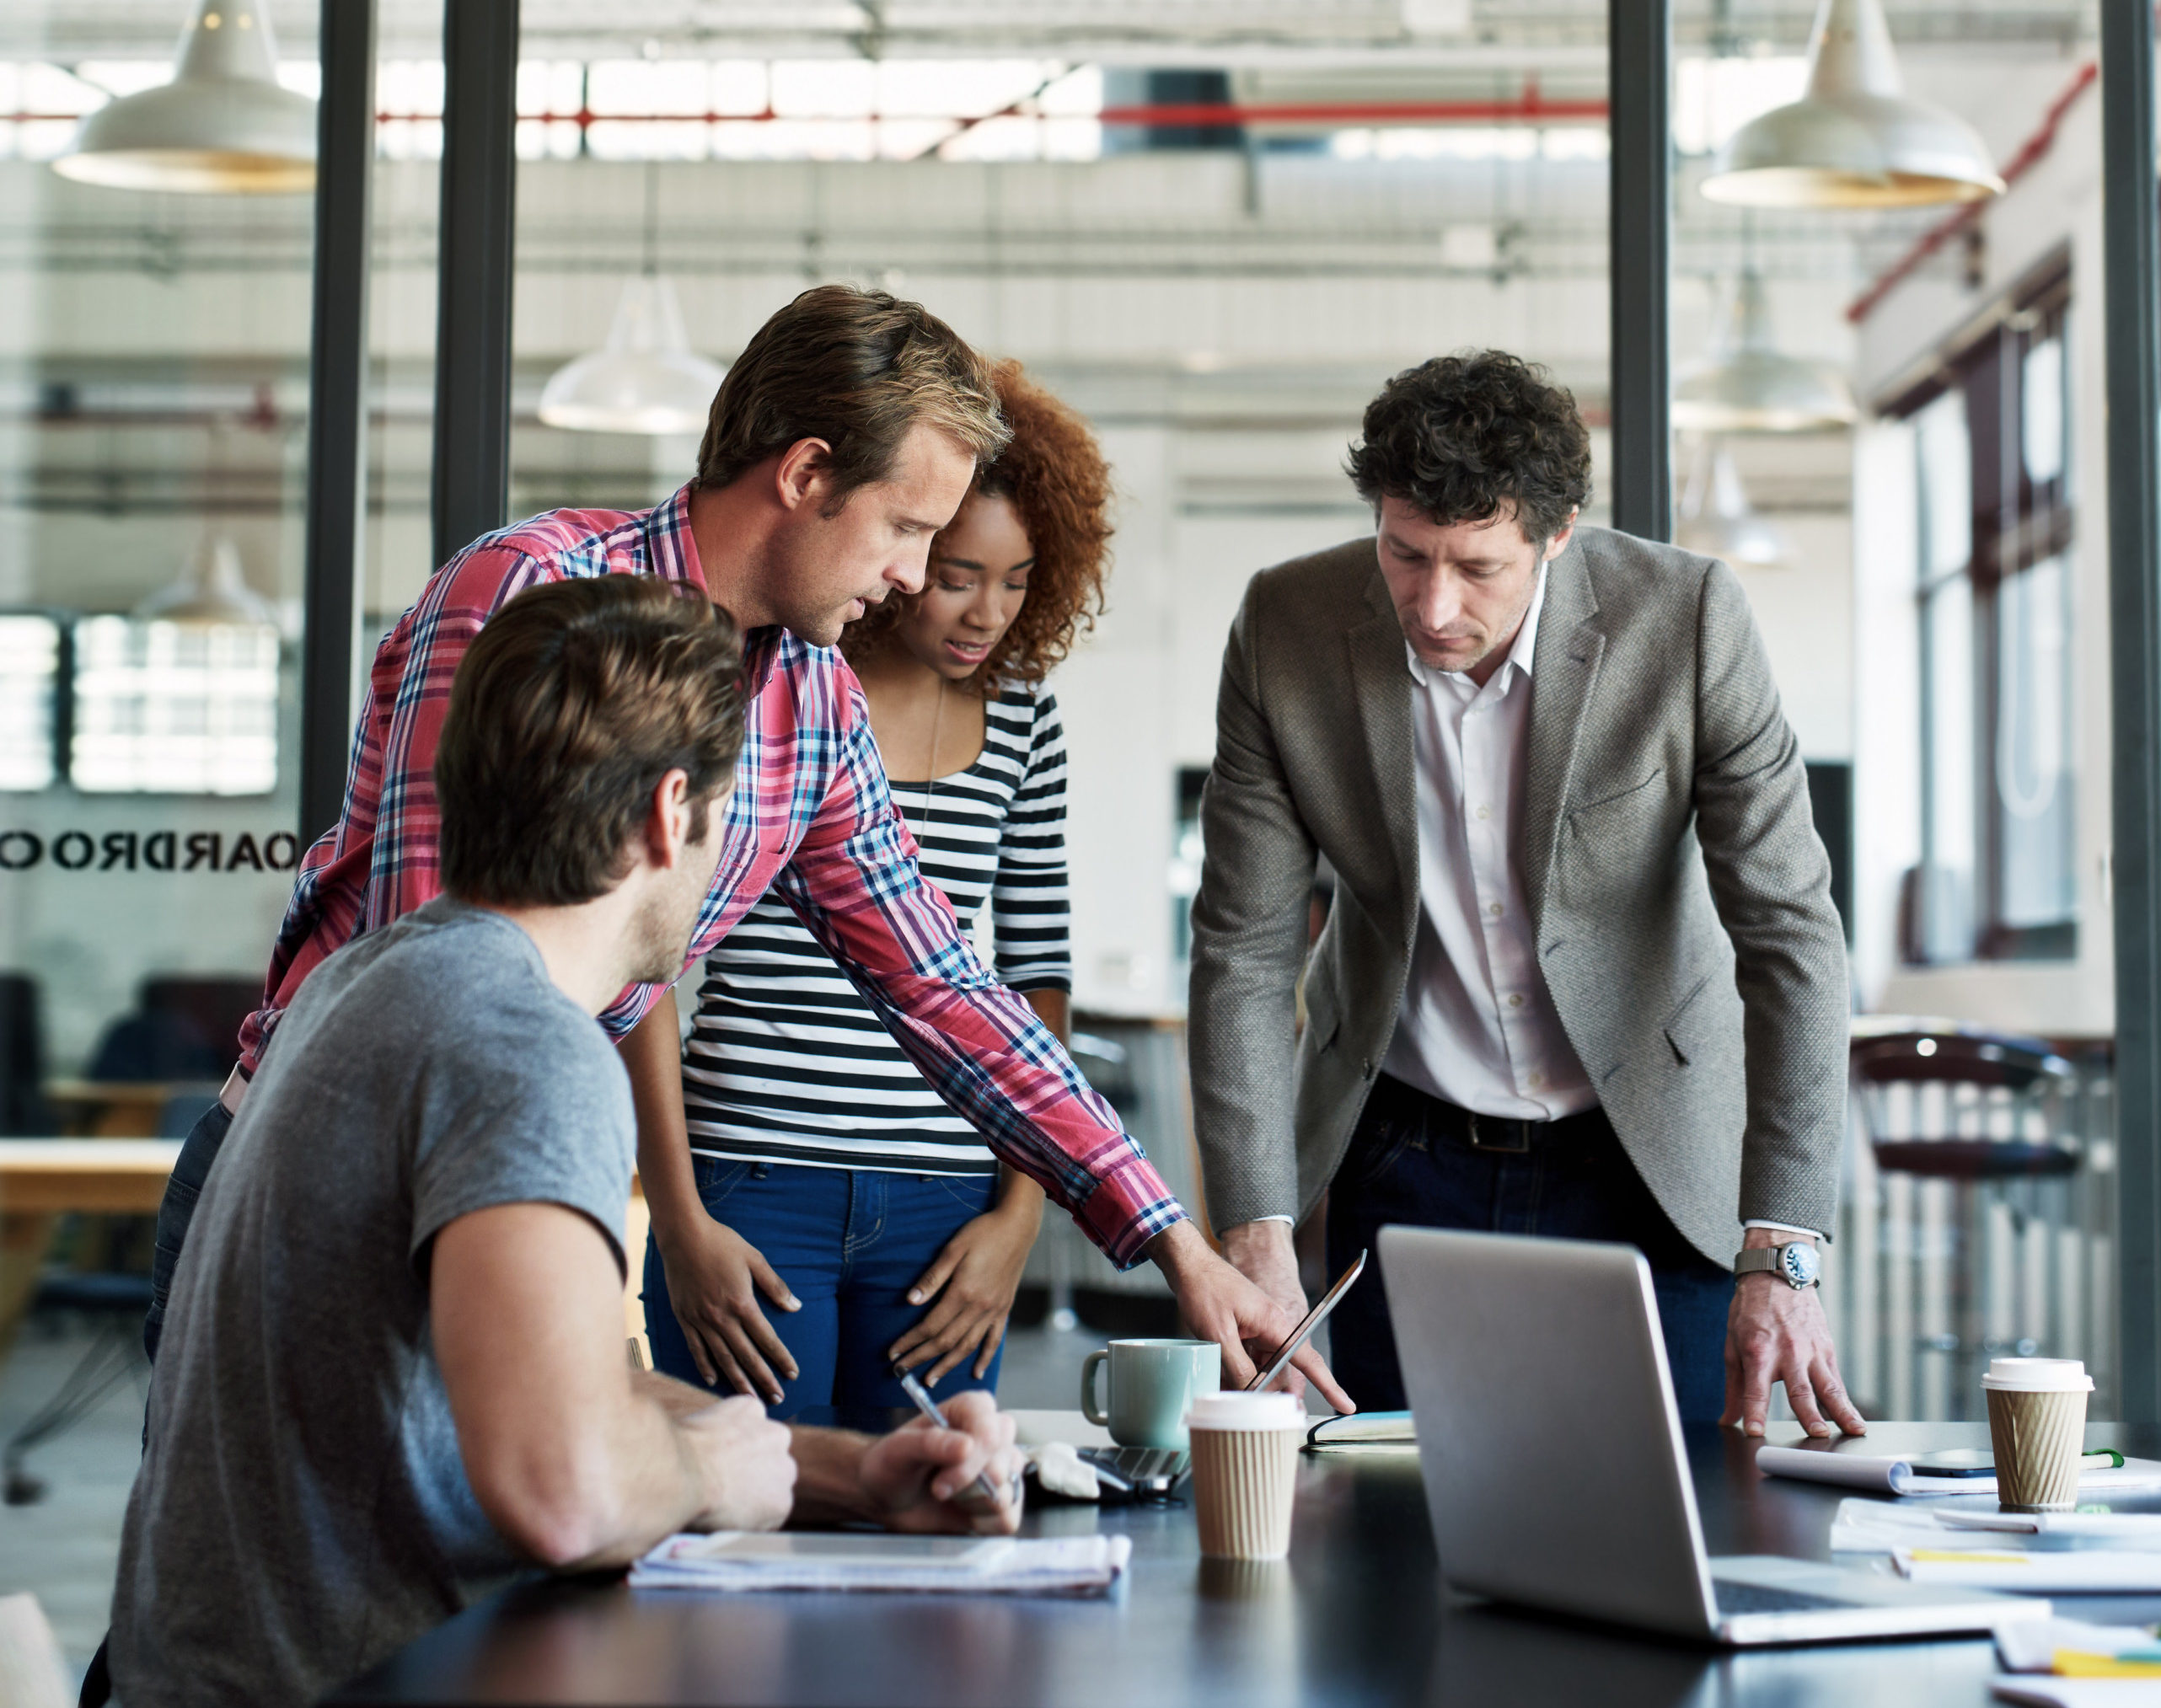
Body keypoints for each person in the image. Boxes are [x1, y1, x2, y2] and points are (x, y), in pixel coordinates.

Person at [143, 284, 1347, 1411]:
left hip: (507, 1195)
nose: (915, 576)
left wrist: (1170, 1239)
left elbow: (941, 981)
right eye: (905, 526)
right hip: (322, 1181)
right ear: (808, 472)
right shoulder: (530, 593)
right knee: (239, 1618)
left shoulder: (810, 692)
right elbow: (434, 978)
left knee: (479, 1616)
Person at [110, 580, 1026, 1708]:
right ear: (668, 810)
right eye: (727, 813)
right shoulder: (523, 1044)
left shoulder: (378, 978)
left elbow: (556, 1386)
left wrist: (847, 1471)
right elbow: (562, 1486)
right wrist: (710, 1473)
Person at [1189, 351, 1862, 1434]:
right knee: (1398, 1536)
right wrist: (1255, 1224)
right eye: (1406, 553)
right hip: (1406, 1158)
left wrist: (1783, 1242)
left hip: (1650, 1158)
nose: (1436, 603)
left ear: (1558, 534)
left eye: (1478, 566)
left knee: (1673, 1531)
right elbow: (1243, 949)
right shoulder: (1286, 626)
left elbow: (1791, 935)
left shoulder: (1686, 620)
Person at [652, 361, 1111, 1416]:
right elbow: (647, 961)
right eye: (951, 567)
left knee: (938, 1520)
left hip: (948, 1206)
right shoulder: (778, 686)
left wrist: (1018, 1220)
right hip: (754, 1180)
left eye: (1017, 577)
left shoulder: (1027, 726)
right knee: (743, 1523)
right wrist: (676, 1217)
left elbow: (1028, 975)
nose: (983, 610)